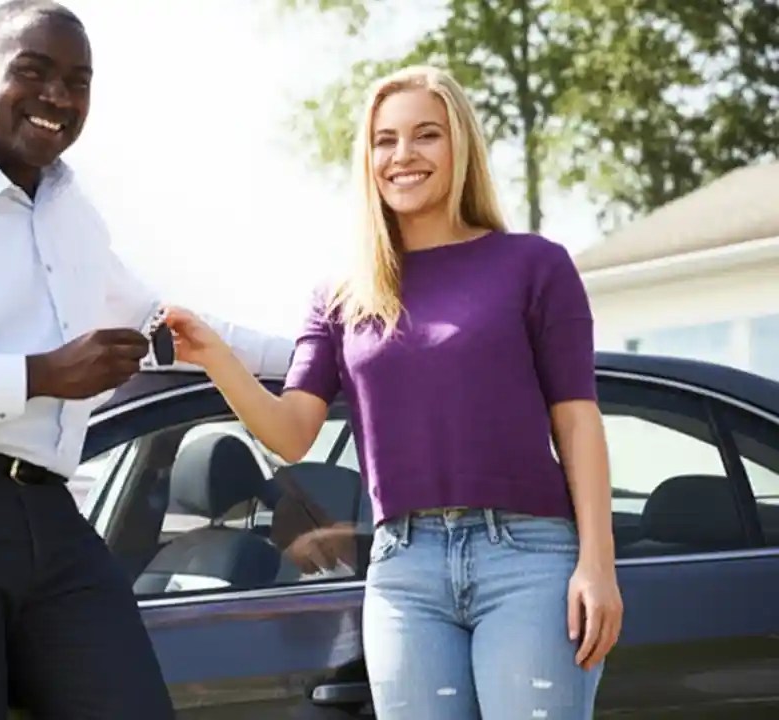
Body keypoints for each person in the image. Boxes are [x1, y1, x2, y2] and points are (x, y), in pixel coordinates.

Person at [0, 2, 293, 718]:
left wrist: (333, 349)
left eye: (78, 80)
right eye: (32, 72)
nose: (58, 98)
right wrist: (38, 374)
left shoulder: (74, 214)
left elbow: (178, 330)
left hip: (50, 511)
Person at [163, 64, 624, 719]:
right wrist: (212, 352)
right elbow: (293, 432)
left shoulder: (534, 265)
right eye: (385, 140)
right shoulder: (342, 293)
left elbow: (578, 423)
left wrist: (597, 567)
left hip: (528, 562)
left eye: (425, 135)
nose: (402, 155)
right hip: (404, 572)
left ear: (459, 146)